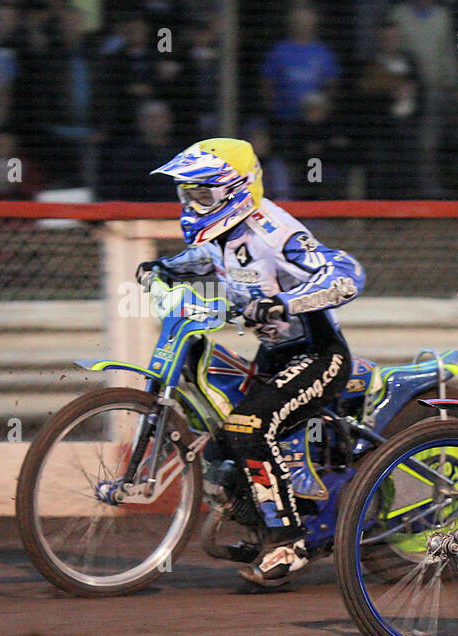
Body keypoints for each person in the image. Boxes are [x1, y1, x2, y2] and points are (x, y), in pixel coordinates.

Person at [139, 138, 366, 586]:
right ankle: (262, 521)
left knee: (248, 427)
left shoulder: (274, 231)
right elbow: (203, 258)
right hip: (273, 355)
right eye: (186, 194)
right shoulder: (221, 232)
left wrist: (284, 302)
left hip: (319, 354)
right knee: (223, 436)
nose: (191, 203)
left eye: (201, 194)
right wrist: (164, 268)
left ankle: (289, 544)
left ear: (234, 189)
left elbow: (346, 274)